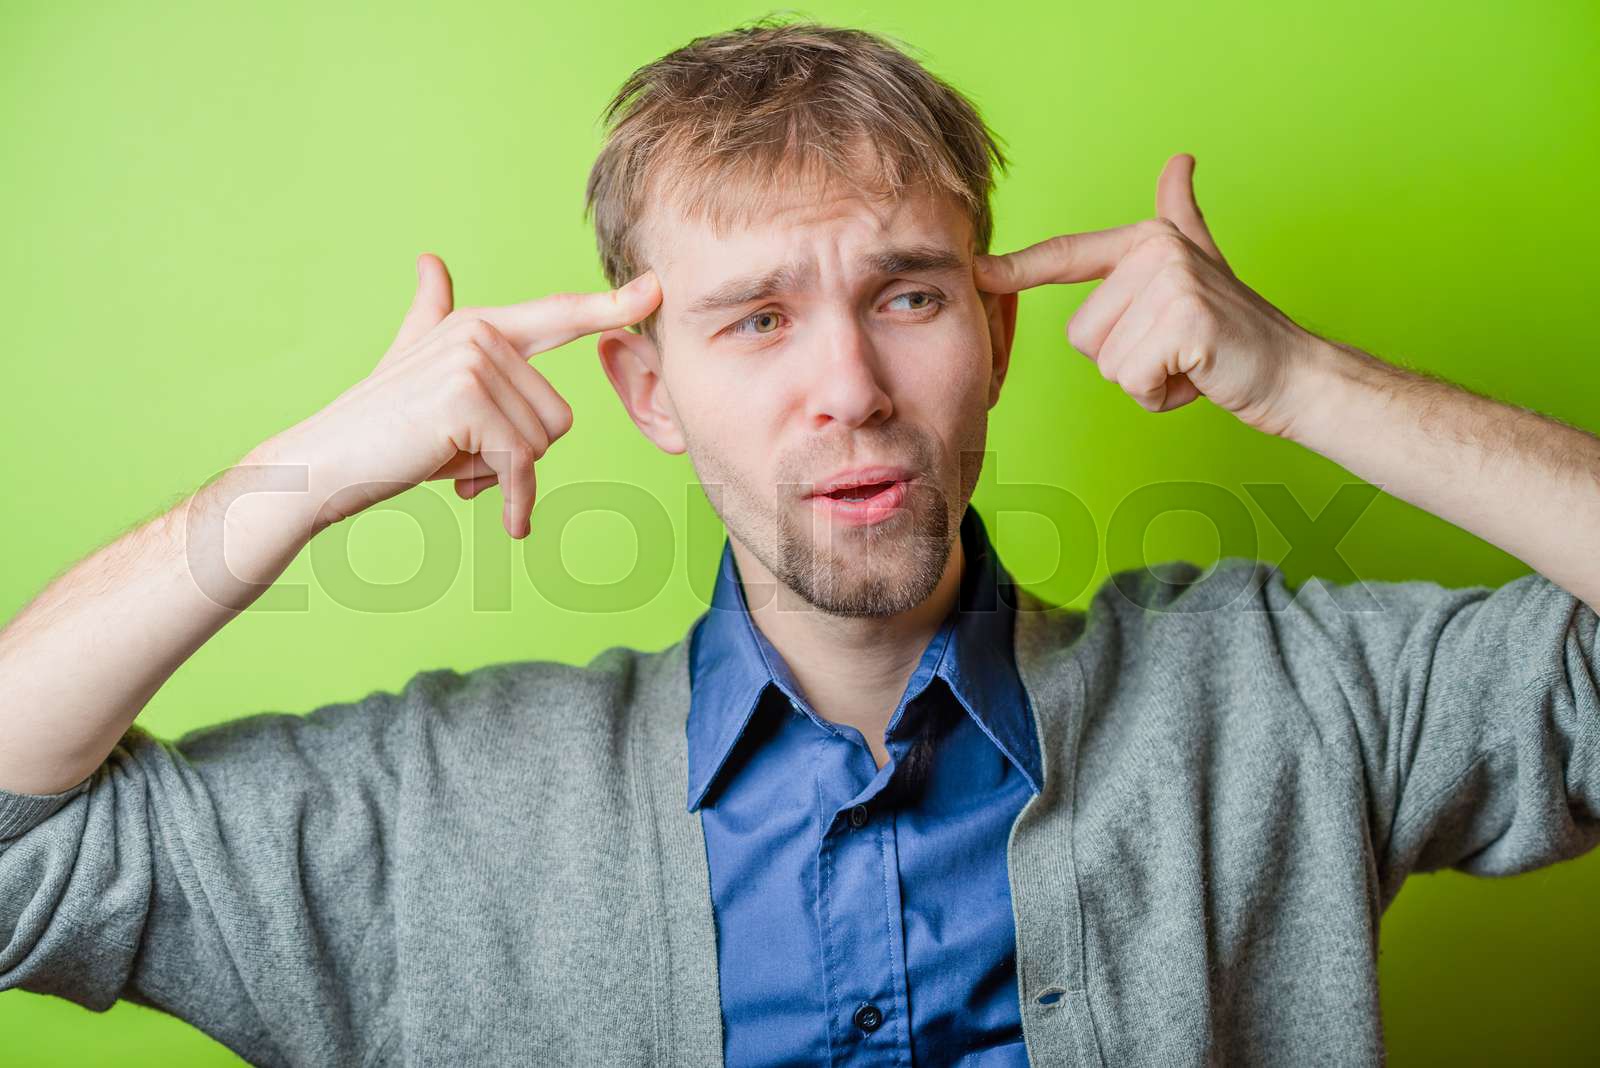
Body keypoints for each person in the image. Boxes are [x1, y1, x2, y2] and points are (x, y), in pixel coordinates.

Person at [1, 16, 1597, 1067]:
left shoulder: (1272, 698)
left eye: (908, 296)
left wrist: (1301, 377)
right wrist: (310, 470)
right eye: (756, 319)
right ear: (649, 388)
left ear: (996, 332)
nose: (850, 387)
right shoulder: (441, 816)